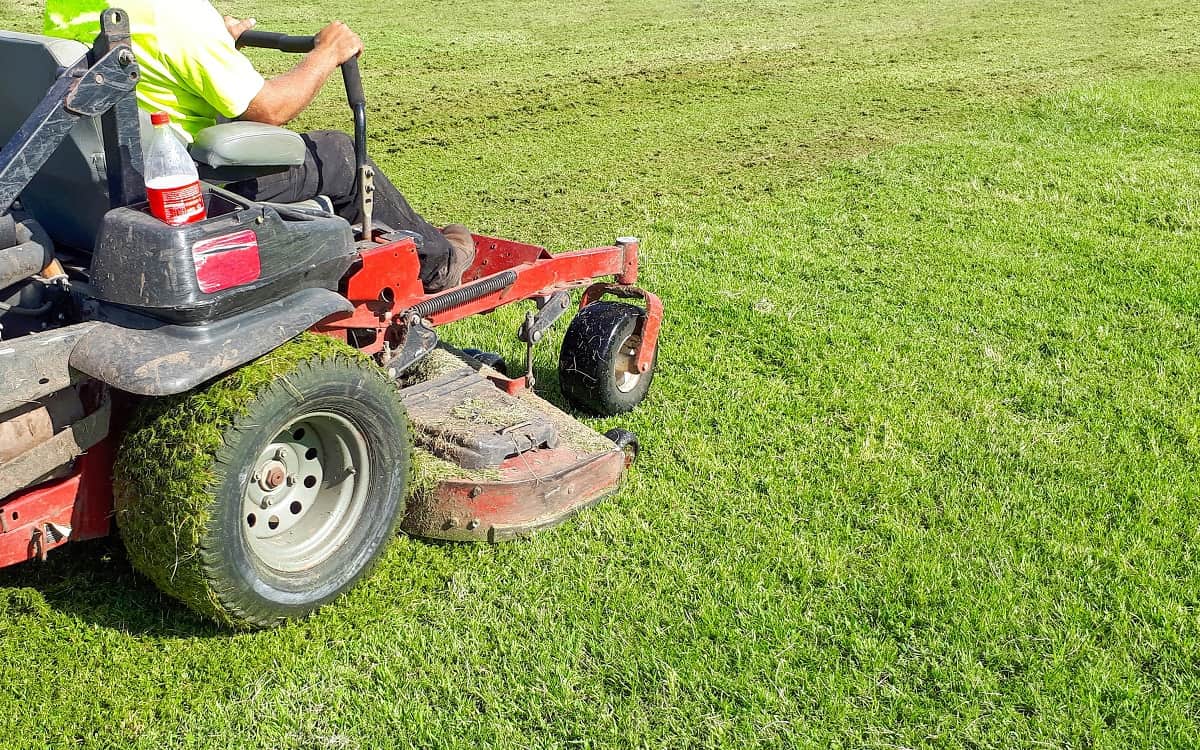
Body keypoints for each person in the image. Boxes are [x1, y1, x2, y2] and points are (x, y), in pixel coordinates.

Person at [43, 0, 474, 292]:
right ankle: (439, 263)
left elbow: (153, 62)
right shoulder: (175, 13)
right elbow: (269, 108)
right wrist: (327, 52)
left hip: (95, 182)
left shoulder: (71, 7)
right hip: (175, 186)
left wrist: (213, 43)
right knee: (338, 155)